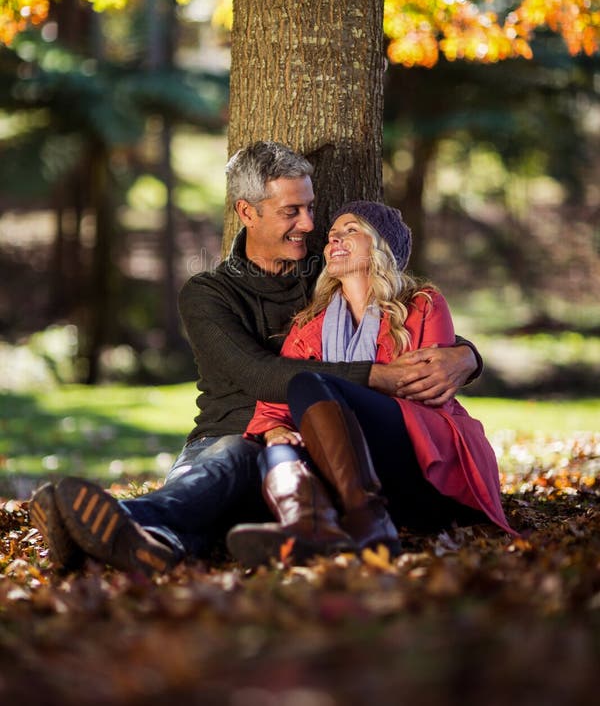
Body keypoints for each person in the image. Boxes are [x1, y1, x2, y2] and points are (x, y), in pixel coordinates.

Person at [30, 143, 482, 576]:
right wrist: (376, 376)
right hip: (230, 436)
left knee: (225, 501)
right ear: (247, 213)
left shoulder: (323, 276)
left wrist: (465, 356)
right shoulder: (209, 293)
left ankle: (128, 533)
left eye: (309, 208)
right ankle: (135, 531)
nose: (309, 225)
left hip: (307, 447)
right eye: (291, 212)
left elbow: (391, 314)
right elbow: (258, 373)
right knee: (222, 469)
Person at [227, 201, 513, 568]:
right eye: (332, 236)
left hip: (422, 469)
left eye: (350, 231)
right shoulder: (307, 327)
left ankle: (364, 519)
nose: (335, 240)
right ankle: (312, 527)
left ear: (381, 246)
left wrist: (336, 392)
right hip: (358, 479)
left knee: (309, 382)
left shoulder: (422, 305)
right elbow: (272, 408)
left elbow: (424, 389)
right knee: (278, 451)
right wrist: (276, 430)